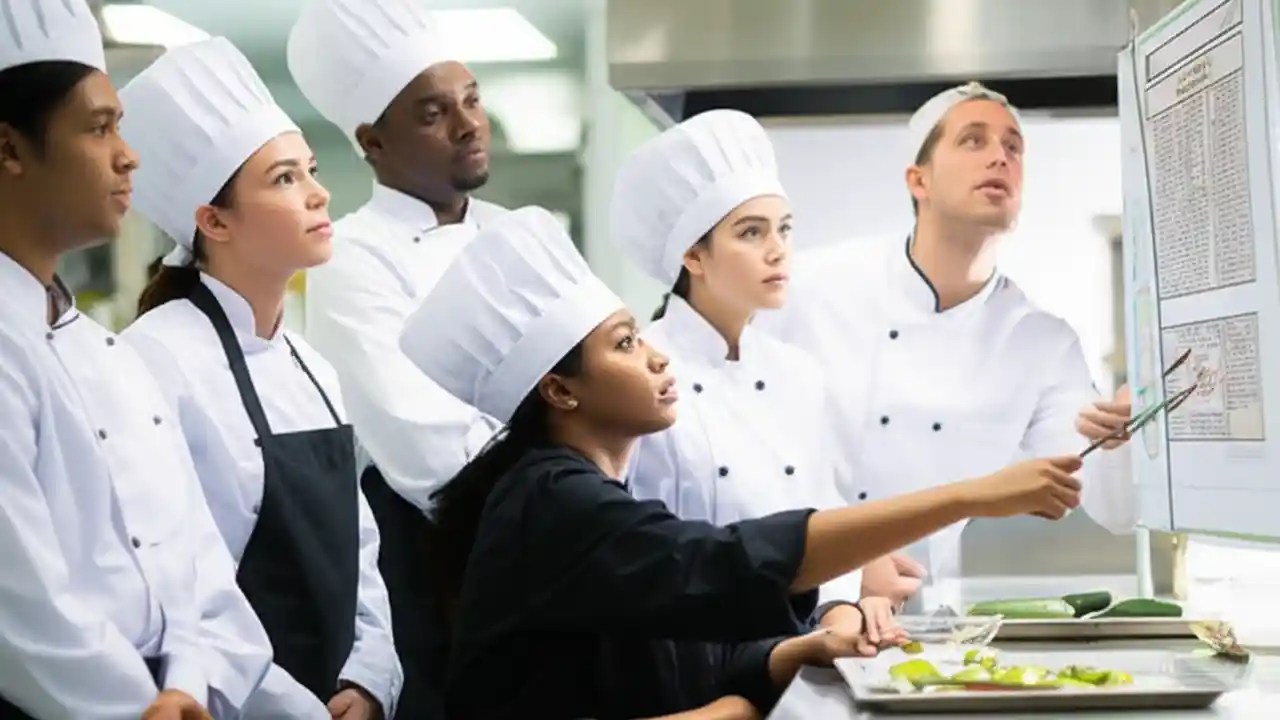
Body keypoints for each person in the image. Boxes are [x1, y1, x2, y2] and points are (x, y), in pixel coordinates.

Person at [397, 205, 1084, 719]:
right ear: (559, 389)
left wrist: (792, 652)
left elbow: (679, 647)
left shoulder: (590, 493)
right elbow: (728, 565)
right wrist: (971, 496)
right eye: (627, 344)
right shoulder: (552, 501)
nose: (657, 355)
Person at [756, 82, 1133, 611]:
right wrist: (842, 573)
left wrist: (1119, 443)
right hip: (790, 602)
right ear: (919, 180)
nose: (1000, 156)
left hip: (922, 620)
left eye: (1013, 146)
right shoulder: (811, 289)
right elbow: (746, 449)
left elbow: (1109, 507)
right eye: (973, 141)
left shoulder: (1042, 342)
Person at [0, 2, 273, 718]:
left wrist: (187, 682)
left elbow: (191, 564)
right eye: (99, 128)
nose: (129, 155)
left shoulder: (108, 356)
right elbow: (17, 597)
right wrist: (138, 706)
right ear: (9, 149)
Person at [118, 38, 401, 719]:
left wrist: (369, 682)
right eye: (284, 179)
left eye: (308, 169)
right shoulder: (153, 361)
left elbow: (361, 553)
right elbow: (181, 587)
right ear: (213, 220)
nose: (319, 191)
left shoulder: (311, 366)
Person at [609, 108, 903, 649]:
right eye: (751, 232)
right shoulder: (644, 372)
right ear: (692, 255)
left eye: (784, 229)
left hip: (799, 642)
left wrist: (840, 609)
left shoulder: (799, 373)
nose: (778, 250)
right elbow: (642, 552)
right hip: (689, 658)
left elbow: (820, 509)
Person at [287, 1, 505, 712]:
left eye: (471, 98)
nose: (469, 123)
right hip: (439, 580)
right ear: (372, 142)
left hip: (546, 561)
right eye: (433, 112)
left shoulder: (518, 236)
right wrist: (567, 461)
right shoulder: (350, 258)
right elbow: (425, 448)